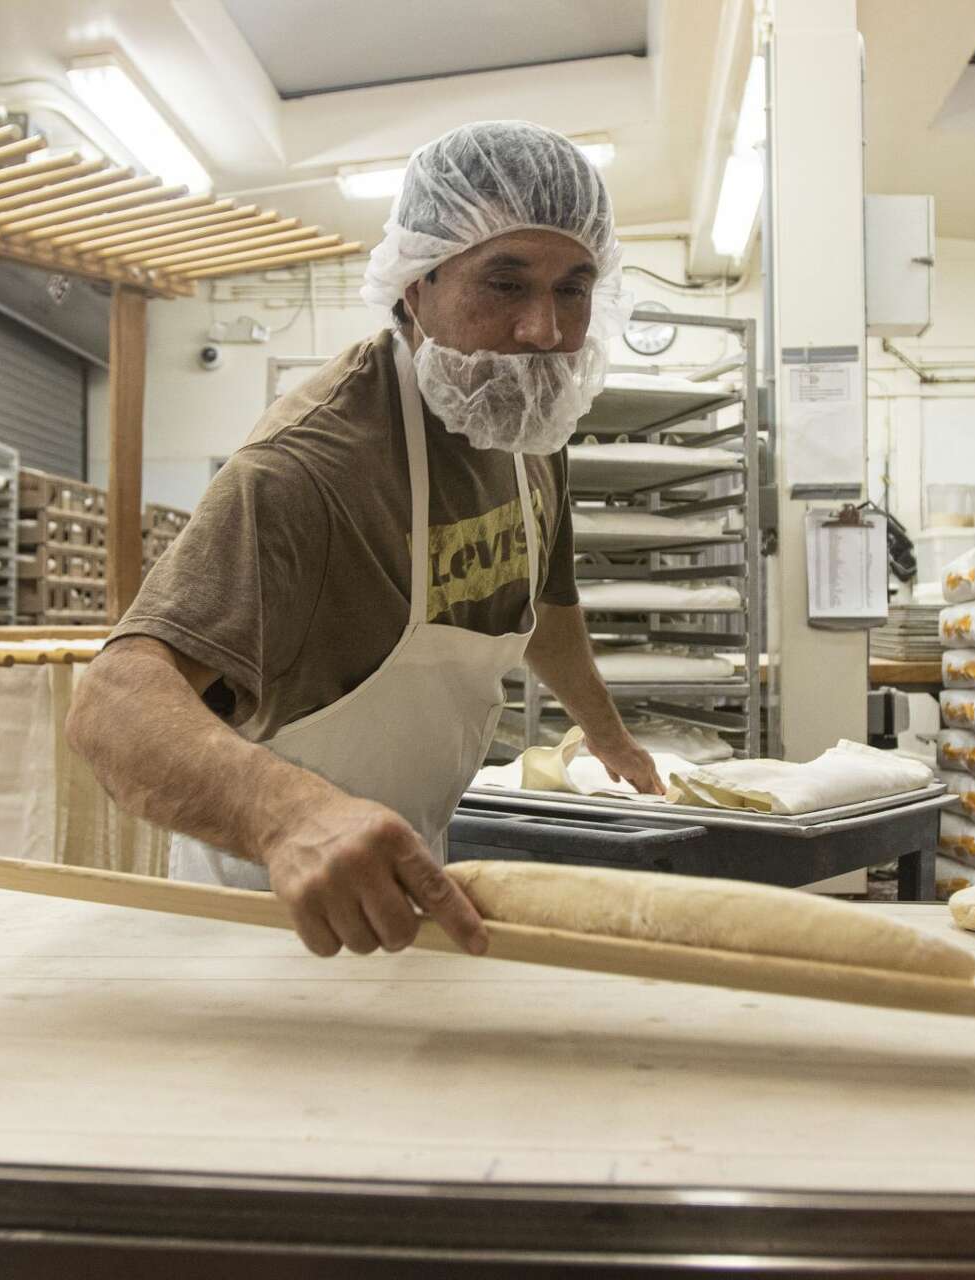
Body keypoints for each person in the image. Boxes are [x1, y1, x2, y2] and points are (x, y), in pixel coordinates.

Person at [67, 120, 661, 960]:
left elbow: (546, 606)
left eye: (574, 288)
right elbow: (114, 704)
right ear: (416, 285)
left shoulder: (528, 424)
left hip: (411, 876)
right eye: (505, 284)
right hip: (266, 913)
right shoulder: (311, 466)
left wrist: (608, 736)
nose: (544, 331)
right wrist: (287, 816)